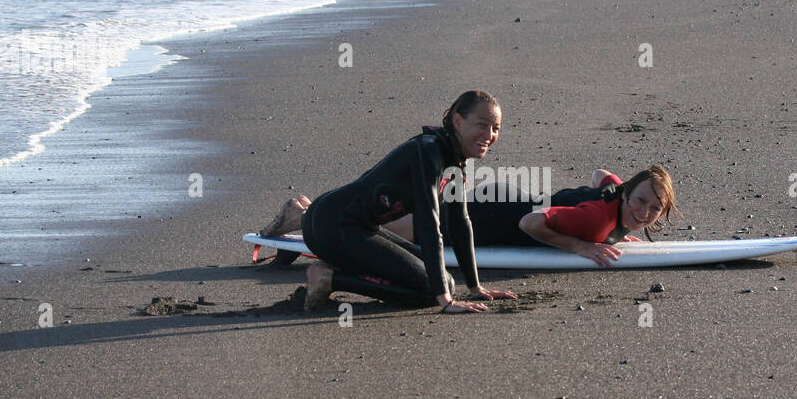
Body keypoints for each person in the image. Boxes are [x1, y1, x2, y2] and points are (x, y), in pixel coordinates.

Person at [295, 90, 517, 313]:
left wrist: (474, 286)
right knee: (433, 290)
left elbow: (460, 223)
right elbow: (429, 224)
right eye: (482, 125)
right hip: (331, 224)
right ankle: (328, 278)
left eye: (495, 128)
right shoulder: (428, 152)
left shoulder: (454, 160)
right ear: (458, 121)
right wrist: (446, 302)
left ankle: (332, 273)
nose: (489, 134)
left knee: (445, 282)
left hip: (357, 226)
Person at [262, 165, 679, 270]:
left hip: (499, 197)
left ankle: (306, 214)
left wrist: (623, 226)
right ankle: (303, 214)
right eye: (639, 200)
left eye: (652, 209)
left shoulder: (617, 194)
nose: (642, 212)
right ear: (626, 191)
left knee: (386, 215)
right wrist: (583, 245)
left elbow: (599, 175)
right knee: (376, 224)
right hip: (488, 216)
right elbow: (530, 225)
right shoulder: (595, 221)